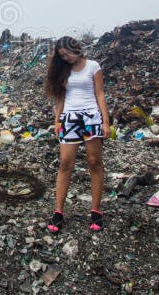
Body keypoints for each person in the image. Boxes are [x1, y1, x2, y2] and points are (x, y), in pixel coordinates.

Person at [43, 36, 111, 232]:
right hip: (70, 118)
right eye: (62, 56)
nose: (67, 58)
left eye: (68, 54)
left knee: (94, 163)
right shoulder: (64, 70)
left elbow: (100, 94)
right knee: (65, 163)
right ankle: (58, 212)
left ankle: (96, 211)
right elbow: (61, 97)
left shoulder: (93, 66)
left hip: (91, 117)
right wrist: (57, 120)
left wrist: (105, 121)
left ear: (76, 48)